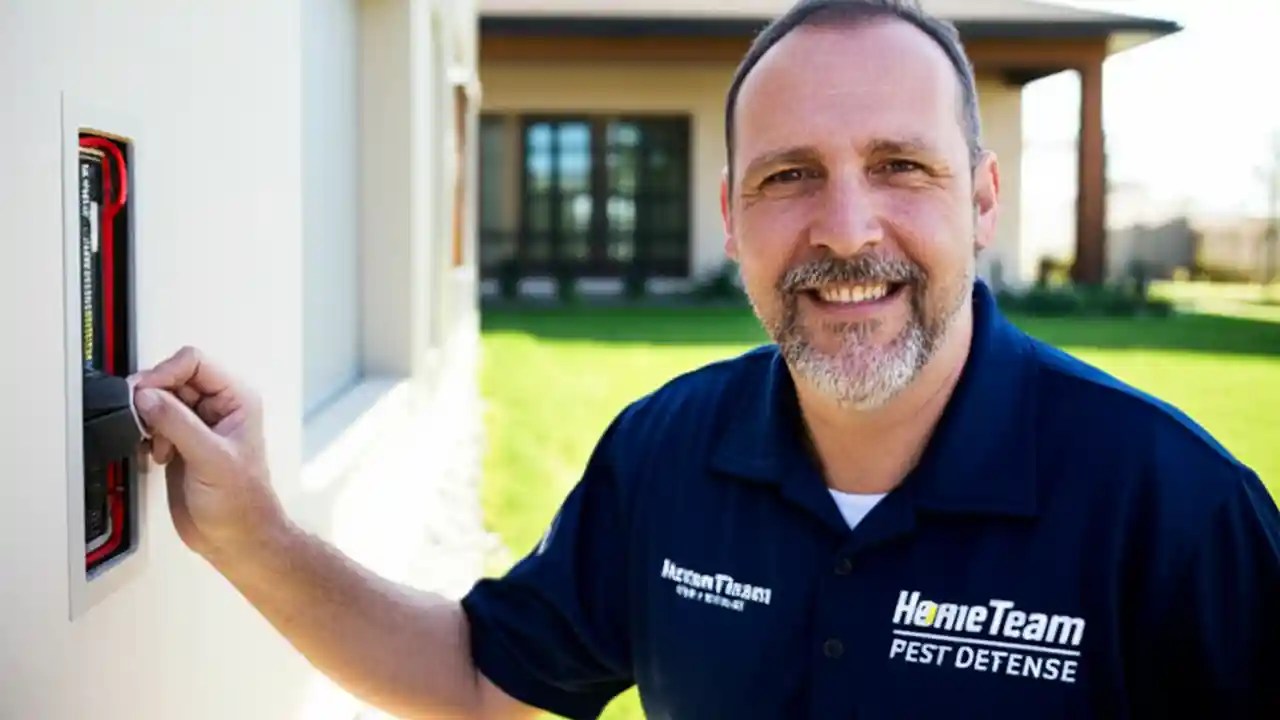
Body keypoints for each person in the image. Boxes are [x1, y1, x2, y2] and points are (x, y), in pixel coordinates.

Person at [131, 0, 1279, 718]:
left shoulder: (1171, 508)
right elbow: (480, 685)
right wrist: (254, 536)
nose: (842, 229)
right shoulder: (667, 455)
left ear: (980, 198)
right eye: (788, 177)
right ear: (730, 216)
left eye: (899, 166)